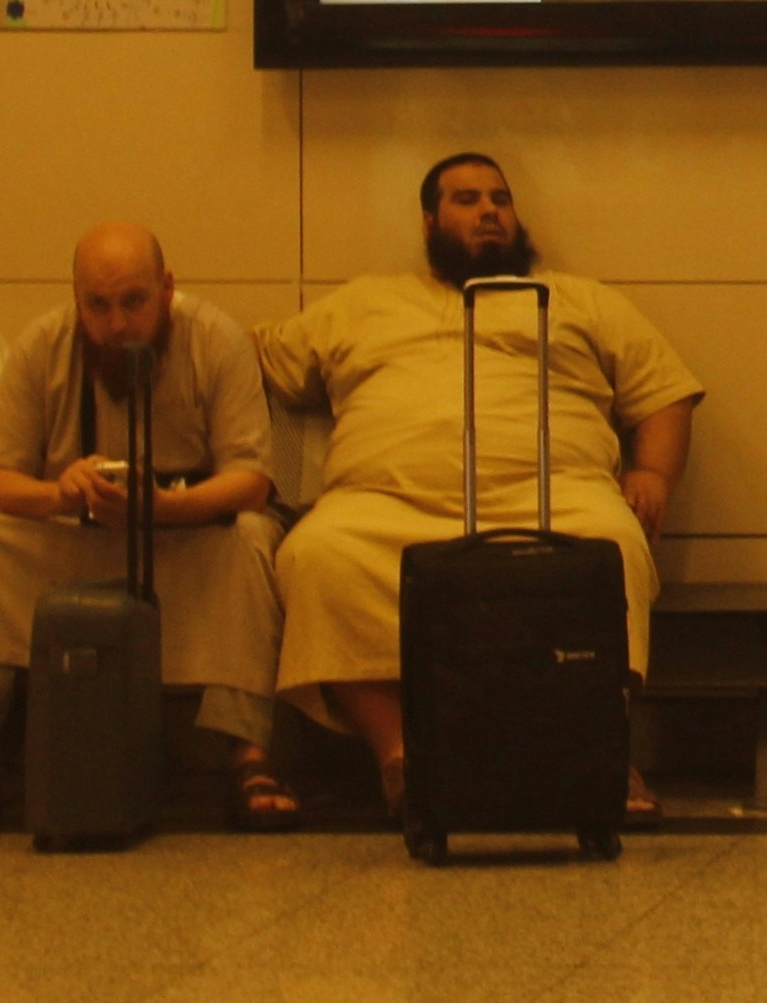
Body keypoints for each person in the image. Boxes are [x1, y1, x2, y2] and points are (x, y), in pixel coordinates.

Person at [263, 152, 706, 824]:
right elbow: (256, 363)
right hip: (386, 508)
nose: (490, 211)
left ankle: (596, 758)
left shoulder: (579, 299)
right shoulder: (365, 301)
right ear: (428, 220)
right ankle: (405, 761)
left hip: (553, 495)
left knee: (609, 545)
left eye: (499, 198)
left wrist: (653, 473)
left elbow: (666, 391)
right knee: (316, 553)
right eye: (467, 199)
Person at [0, 221, 295, 833]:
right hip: (78, 532)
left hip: (182, 533)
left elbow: (251, 481)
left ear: (166, 288)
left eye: (134, 302)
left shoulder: (215, 339)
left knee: (248, 542)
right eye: (97, 306)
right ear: (76, 299)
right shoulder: (44, 344)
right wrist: (58, 493)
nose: (116, 326)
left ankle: (249, 757)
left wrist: (160, 507)